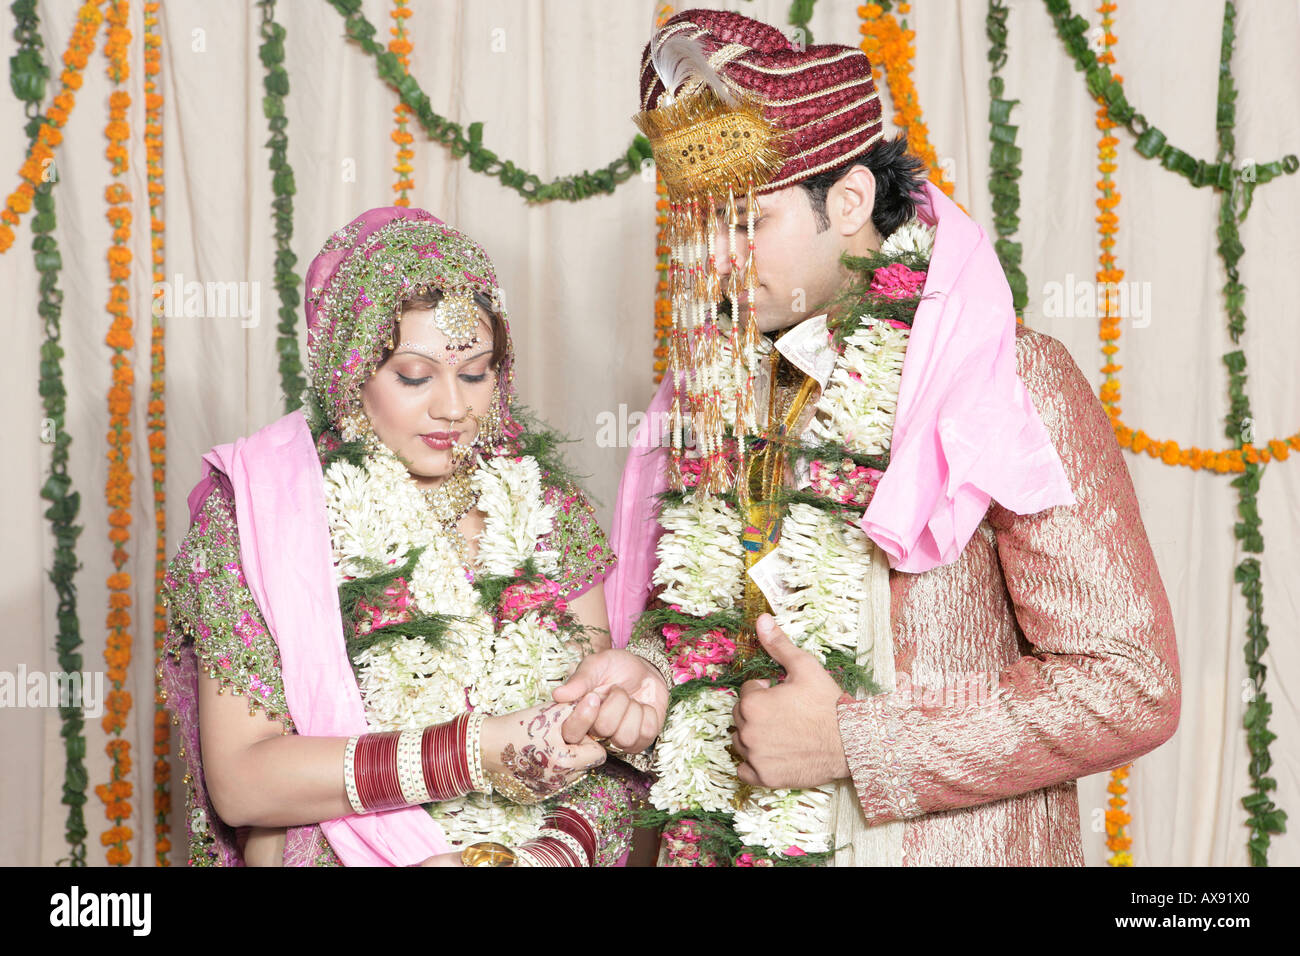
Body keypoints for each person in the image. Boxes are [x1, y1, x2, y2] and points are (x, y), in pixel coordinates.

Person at [579, 8, 1181, 865]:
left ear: (851, 199)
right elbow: (720, 618)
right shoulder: (716, 396)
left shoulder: (1005, 379)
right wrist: (650, 672)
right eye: (700, 227)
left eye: (748, 223)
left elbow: (1128, 683)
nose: (715, 260)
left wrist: (859, 744)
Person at [161, 207, 651, 867]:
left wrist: (545, 857)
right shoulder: (264, 513)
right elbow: (245, 783)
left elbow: (602, 742)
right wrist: (473, 753)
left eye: (475, 372)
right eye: (415, 376)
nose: (453, 407)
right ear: (349, 371)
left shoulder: (547, 510)